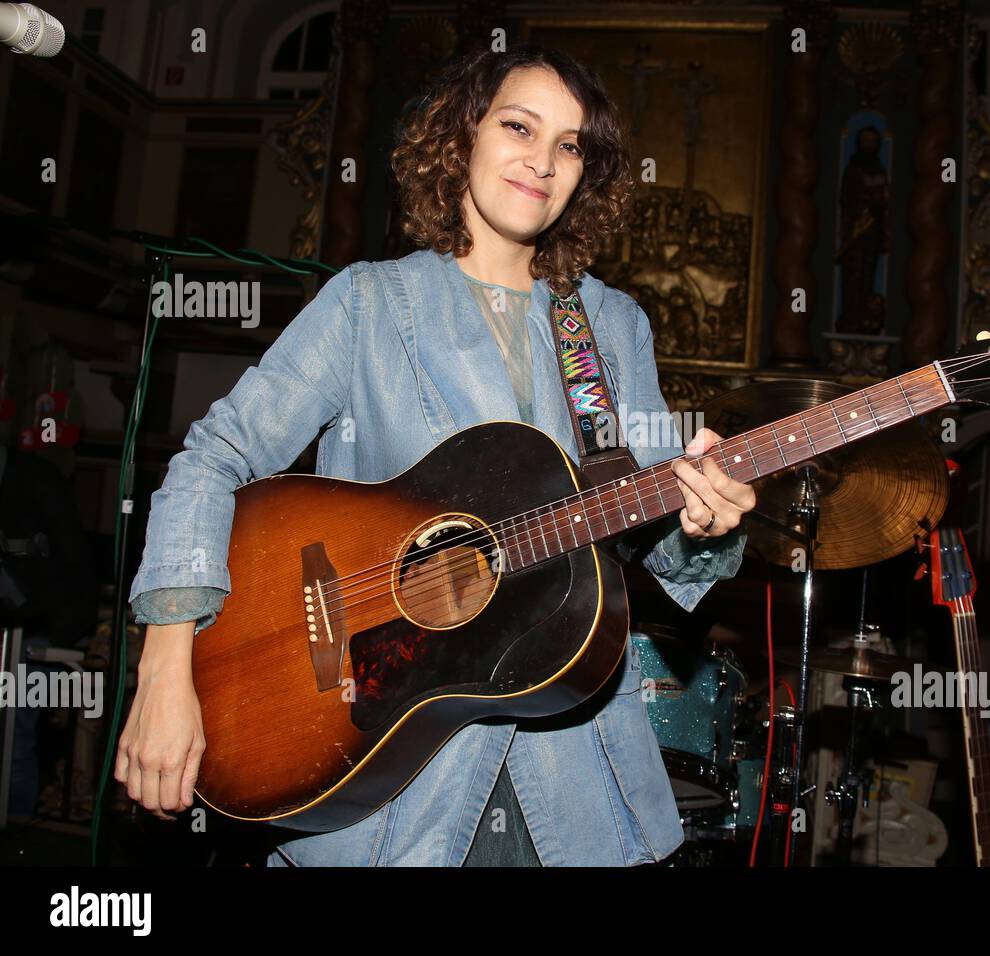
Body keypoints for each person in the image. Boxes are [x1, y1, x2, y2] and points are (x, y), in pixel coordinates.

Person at [115, 44, 755, 866]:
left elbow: (654, 527)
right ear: (462, 137)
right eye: (519, 126)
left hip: (575, 777)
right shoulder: (369, 303)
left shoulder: (610, 326)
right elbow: (213, 454)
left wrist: (707, 520)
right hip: (386, 772)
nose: (543, 161)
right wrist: (166, 661)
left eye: (571, 146)